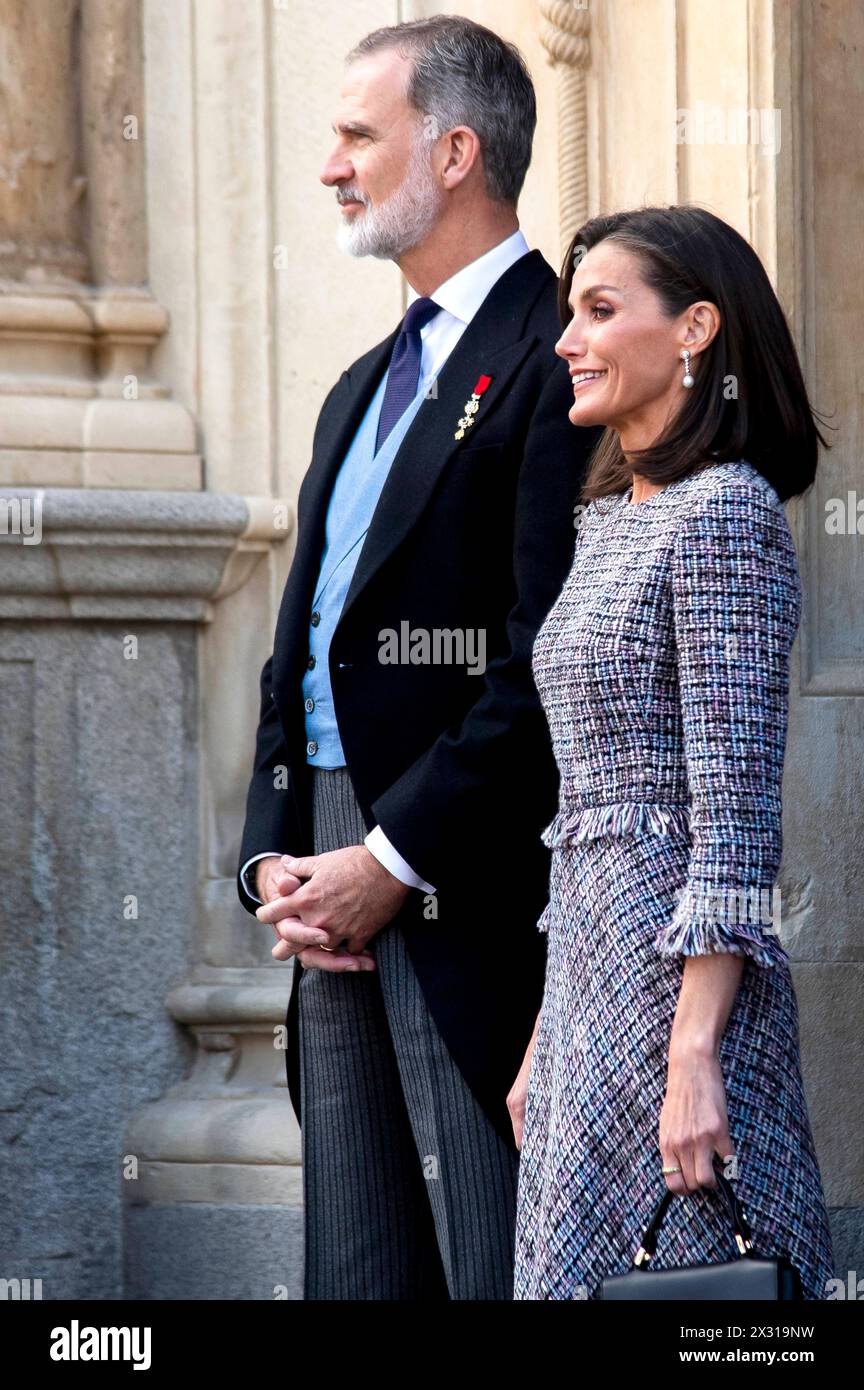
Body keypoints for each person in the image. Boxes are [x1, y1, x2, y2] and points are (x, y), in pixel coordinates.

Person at [236, 15, 597, 1300]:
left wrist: (389, 864)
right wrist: (272, 857)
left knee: (492, 1257)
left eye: (354, 134)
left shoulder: (563, 356)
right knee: (358, 1259)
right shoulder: (355, 384)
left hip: (465, 883)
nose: (330, 165)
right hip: (323, 878)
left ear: (453, 152)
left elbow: (544, 661)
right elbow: (300, 654)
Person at [510, 205, 835, 1301]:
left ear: (695, 328)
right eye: (570, 313)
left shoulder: (726, 512)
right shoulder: (607, 519)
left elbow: (735, 816)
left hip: (676, 1005)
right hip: (591, 991)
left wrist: (694, 1054)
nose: (568, 339)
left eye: (601, 311)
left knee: (693, 1291)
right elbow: (583, 811)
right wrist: (548, 1033)